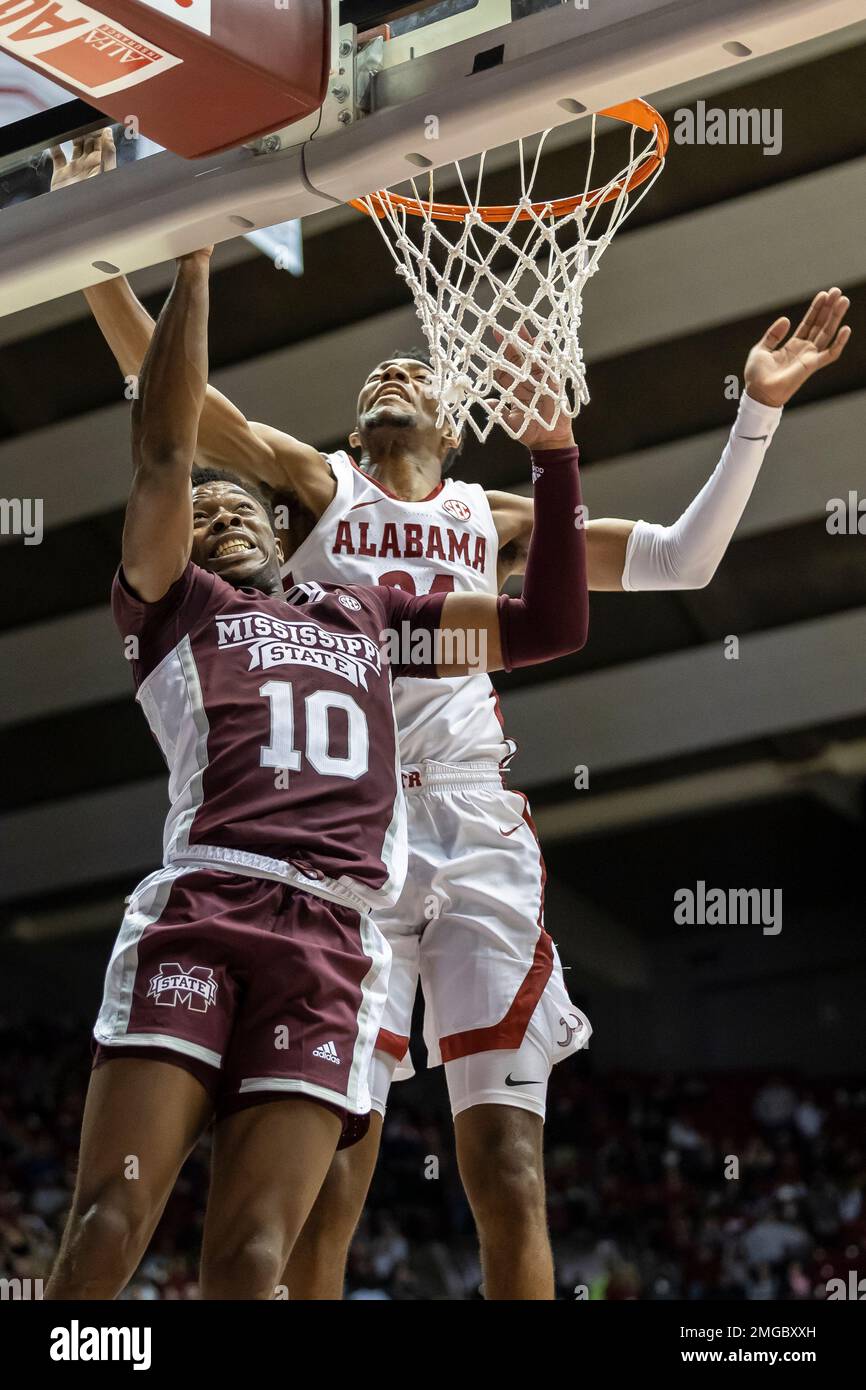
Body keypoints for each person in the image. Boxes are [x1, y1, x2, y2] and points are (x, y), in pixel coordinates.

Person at [51, 129, 851, 1300]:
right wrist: (97, 260)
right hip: (334, 853)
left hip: (468, 822)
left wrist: (757, 415)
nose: (389, 372)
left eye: (412, 369)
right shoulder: (313, 484)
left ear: (457, 407)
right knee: (330, 1180)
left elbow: (678, 561)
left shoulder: (499, 514)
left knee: (507, 1170)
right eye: (372, 373)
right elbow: (177, 417)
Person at [44, 247, 589, 1300]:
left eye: (233, 500)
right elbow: (167, 445)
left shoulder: (362, 613)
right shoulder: (178, 612)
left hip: (332, 934)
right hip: (210, 899)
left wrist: (555, 453)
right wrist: (183, 257)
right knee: (112, 1218)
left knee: (253, 1257)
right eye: (202, 516)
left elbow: (550, 621)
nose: (222, 506)